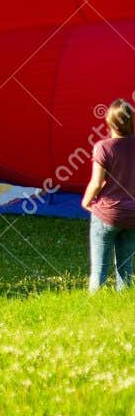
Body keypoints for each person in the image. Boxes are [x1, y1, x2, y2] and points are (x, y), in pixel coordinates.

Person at [81, 98, 135, 293]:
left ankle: (94, 308)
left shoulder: (103, 147)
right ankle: (124, 300)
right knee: (126, 269)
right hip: (132, 216)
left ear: (109, 122)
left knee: (99, 271)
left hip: (107, 213)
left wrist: (86, 202)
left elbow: (96, 183)